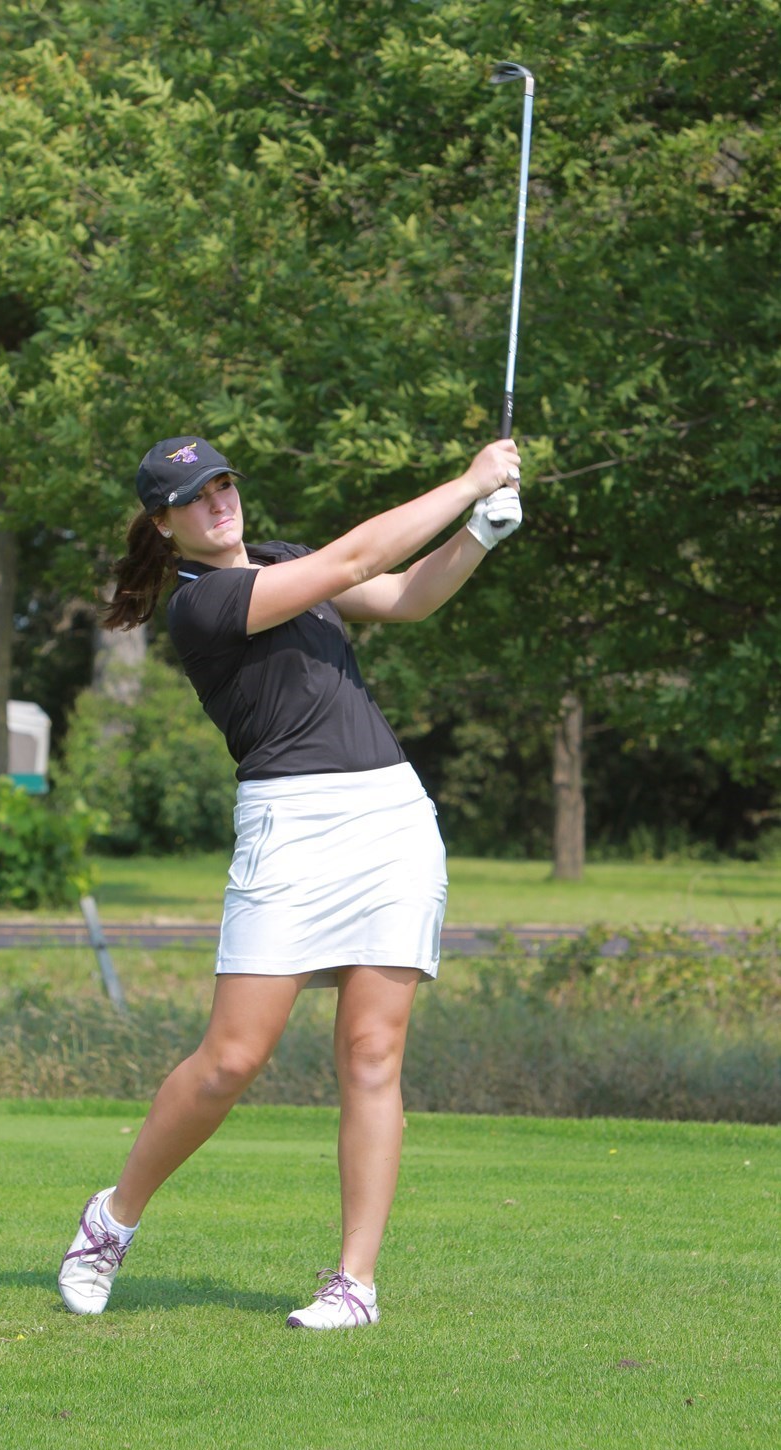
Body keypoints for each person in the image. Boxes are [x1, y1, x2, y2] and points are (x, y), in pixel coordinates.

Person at [59, 432, 522, 1330]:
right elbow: (358, 554)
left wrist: (478, 536)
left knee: (372, 1057)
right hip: (290, 829)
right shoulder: (204, 605)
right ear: (164, 524)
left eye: (223, 484)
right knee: (230, 1060)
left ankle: (354, 1283)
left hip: (389, 817)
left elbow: (398, 594)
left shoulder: (278, 557)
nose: (217, 502)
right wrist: (466, 479)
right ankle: (110, 1221)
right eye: (193, 496)